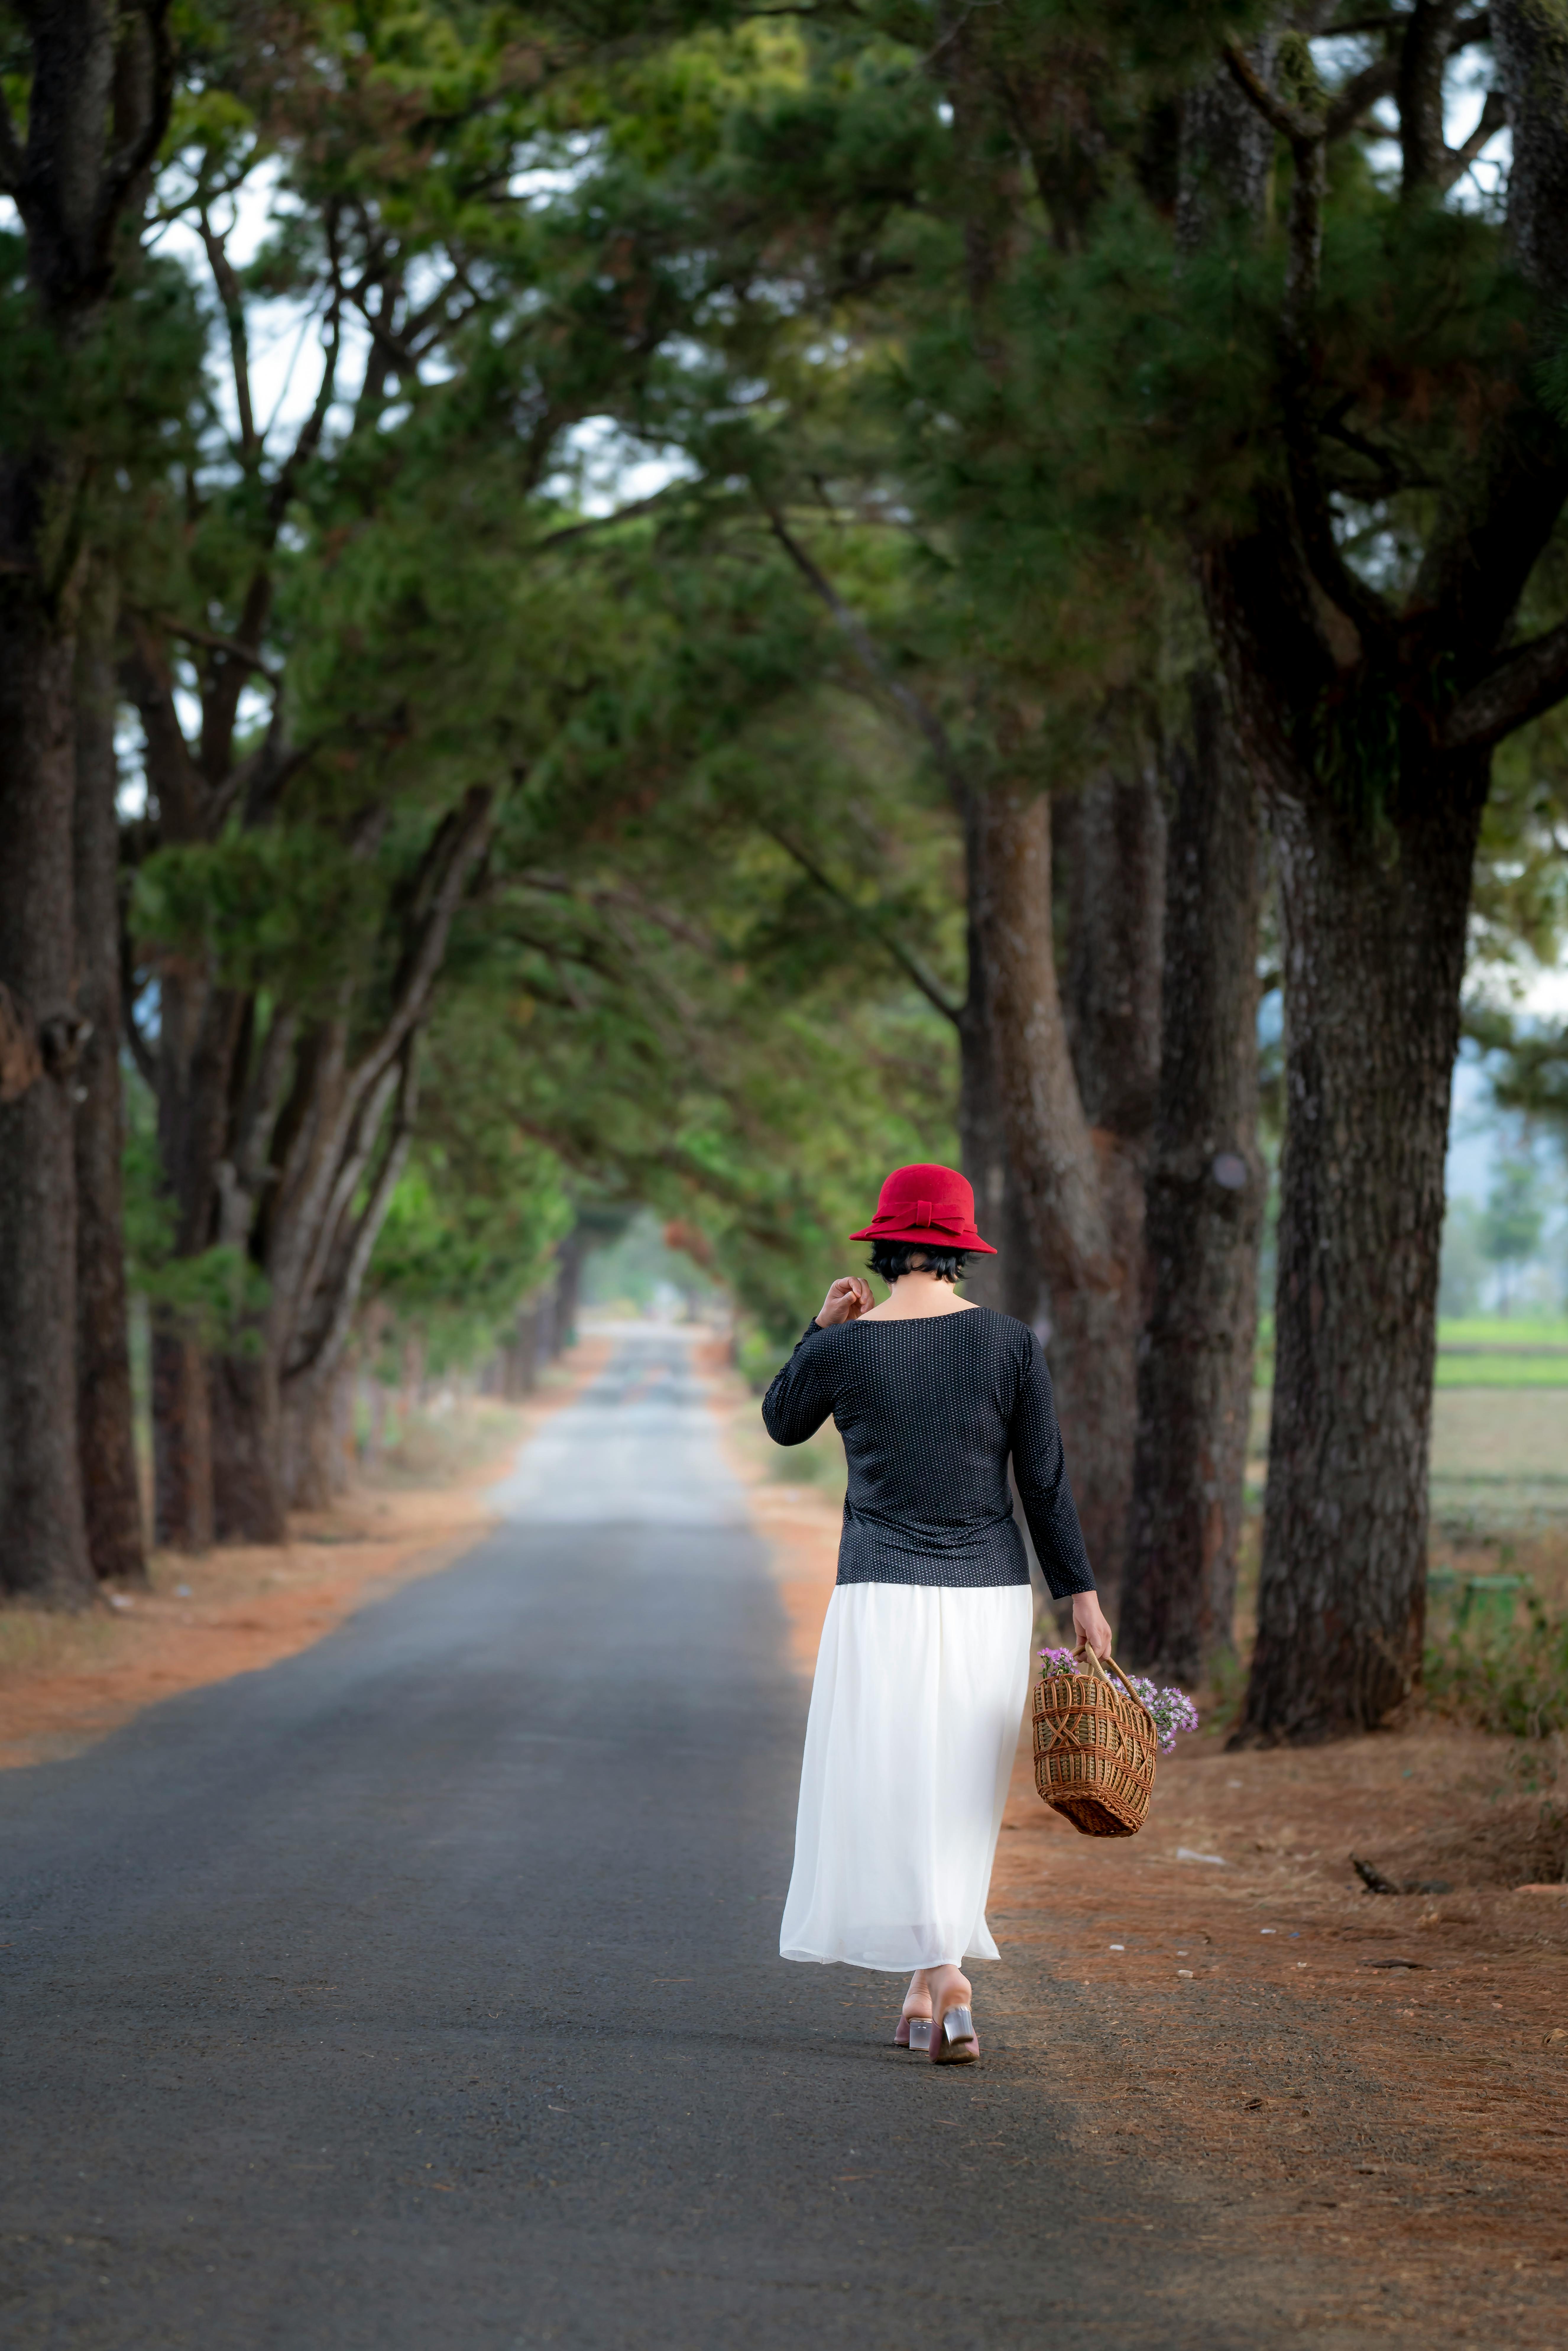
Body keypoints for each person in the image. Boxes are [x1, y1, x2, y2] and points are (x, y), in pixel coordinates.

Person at [763, 1161, 1111, 2065]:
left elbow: (781, 1422)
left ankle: (937, 1981)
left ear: (881, 1249)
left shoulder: (844, 1349)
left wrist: (816, 1330)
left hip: (878, 1590)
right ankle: (938, 1976)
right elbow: (1042, 1484)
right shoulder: (1007, 1346)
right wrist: (1080, 1592)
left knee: (890, 1775)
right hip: (986, 1595)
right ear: (961, 1251)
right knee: (958, 1782)